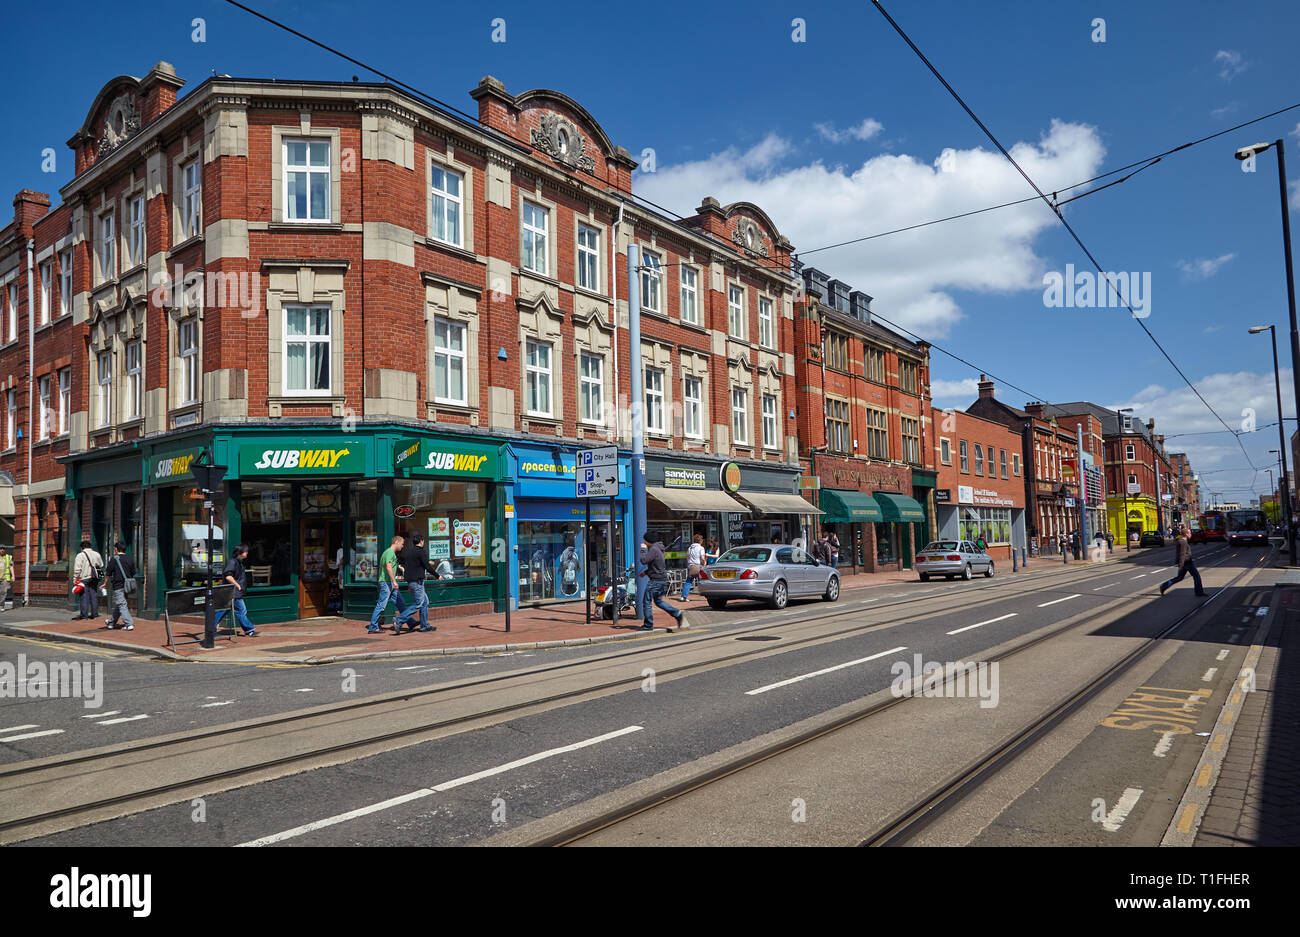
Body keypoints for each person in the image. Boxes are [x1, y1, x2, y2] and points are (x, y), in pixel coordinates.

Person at [638, 531, 686, 632]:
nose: (644, 542)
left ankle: (648, 624)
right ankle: (677, 613)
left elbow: (644, 560)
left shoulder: (654, 549)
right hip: (661, 579)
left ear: (648, 541)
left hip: (655, 580)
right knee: (658, 601)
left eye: (645, 540)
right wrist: (646, 572)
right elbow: (657, 564)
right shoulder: (659, 548)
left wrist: (642, 549)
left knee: (647, 602)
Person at [393, 533, 437, 633]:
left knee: (424, 602)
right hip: (417, 582)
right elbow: (427, 566)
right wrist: (437, 575)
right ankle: (399, 621)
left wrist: (409, 583)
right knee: (419, 603)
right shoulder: (421, 552)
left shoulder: (409, 552)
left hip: (413, 581)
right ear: (421, 541)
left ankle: (424, 625)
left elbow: (407, 568)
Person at [213, 544, 259, 637]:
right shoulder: (232, 562)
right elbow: (228, 576)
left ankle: (210, 628)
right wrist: (237, 585)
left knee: (224, 610)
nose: (247, 553)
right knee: (241, 610)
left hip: (233, 592)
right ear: (240, 552)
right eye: (245, 551)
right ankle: (249, 630)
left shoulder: (239, 562)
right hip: (233, 592)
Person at [368, 535, 407, 633]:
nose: (402, 546)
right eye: (402, 544)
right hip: (387, 583)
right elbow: (389, 567)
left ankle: (410, 622)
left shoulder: (388, 552)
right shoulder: (390, 552)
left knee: (401, 603)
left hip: (388, 582)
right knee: (381, 605)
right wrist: (394, 581)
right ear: (397, 542)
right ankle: (373, 627)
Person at [1160, 526, 1207, 597]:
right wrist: (1181, 565)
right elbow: (1182, 554)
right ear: (1186, 534)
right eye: (1190, 533)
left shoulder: (1182, 541)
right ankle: (1199, 592)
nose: (1191, 534)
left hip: (1185, 563)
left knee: (1179, 578)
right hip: (1187, 562)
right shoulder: (1183, 542)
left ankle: (1163, 586)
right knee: (1197, 576)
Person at [104, 541, 136, 631]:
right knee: (120, 603)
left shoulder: (114, 559)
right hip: (127, 586)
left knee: (121, 604)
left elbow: (108, 573)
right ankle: (112, 622)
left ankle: (129, 624)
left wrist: (105, 583)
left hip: (118, 585)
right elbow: (133, 572)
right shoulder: (130, 559)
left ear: (116, 549)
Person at [73, 538, 104, 621]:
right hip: (94, 578)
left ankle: (84, 615)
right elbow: (101, 564)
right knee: (93, 595)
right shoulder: (97, 554)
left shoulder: (80, 555)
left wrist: (75, 578)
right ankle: (95, 614)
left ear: (82, 547)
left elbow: (77, 569)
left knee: (84, 596)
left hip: (84, 578)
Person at [682, 533, 707, 600]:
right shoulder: (701, 548)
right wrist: (704, 563)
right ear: (700, 541)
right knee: (702, 580)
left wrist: (690, 563)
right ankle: (705, 594)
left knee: (688, 581)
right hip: (698, 566)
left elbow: (687, 557)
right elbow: (702, 558)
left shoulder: (690, 548)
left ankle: (684, 596)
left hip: (691, 566)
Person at [0, 547, 11, 612]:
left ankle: (1, 605)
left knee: (3, 592)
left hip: (4, 578)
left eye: (3, 549)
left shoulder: (8, 557)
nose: (2, 550)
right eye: (1, 549)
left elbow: (11, 567)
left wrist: (13, 576)